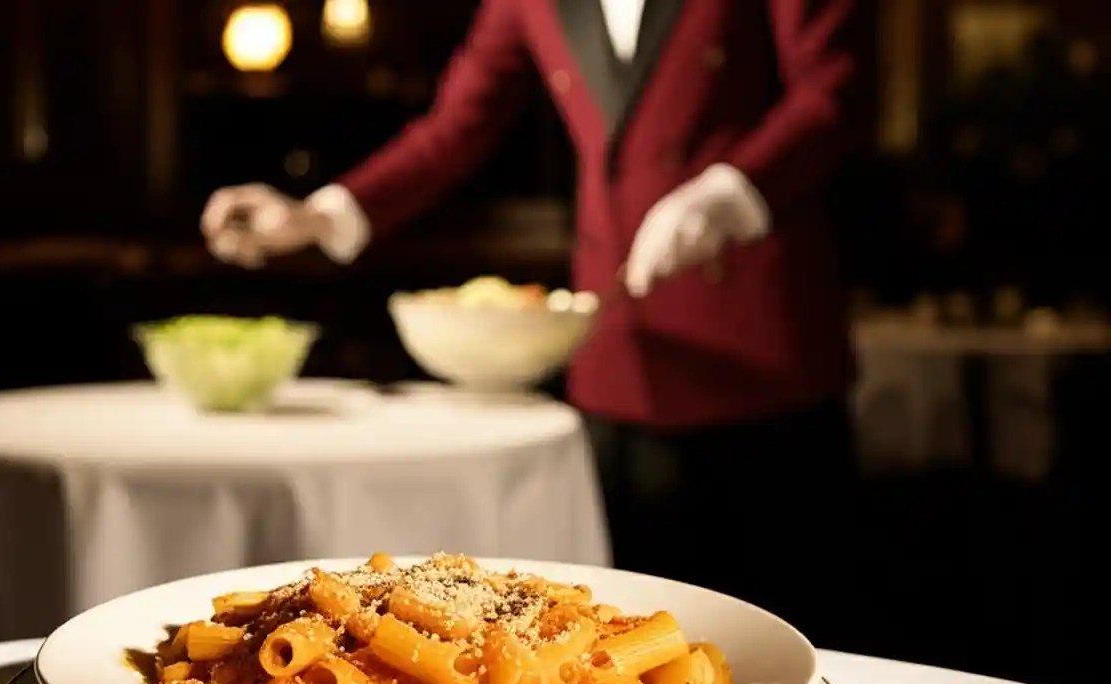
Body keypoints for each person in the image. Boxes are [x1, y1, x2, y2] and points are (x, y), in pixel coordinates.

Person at [202, 0, 862, 646]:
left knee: (793, 642)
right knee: (626, 649)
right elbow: (455, 125)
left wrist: (726, 194)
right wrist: (313, 218)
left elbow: (832, 90)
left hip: (762, 359)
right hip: (614, 358)